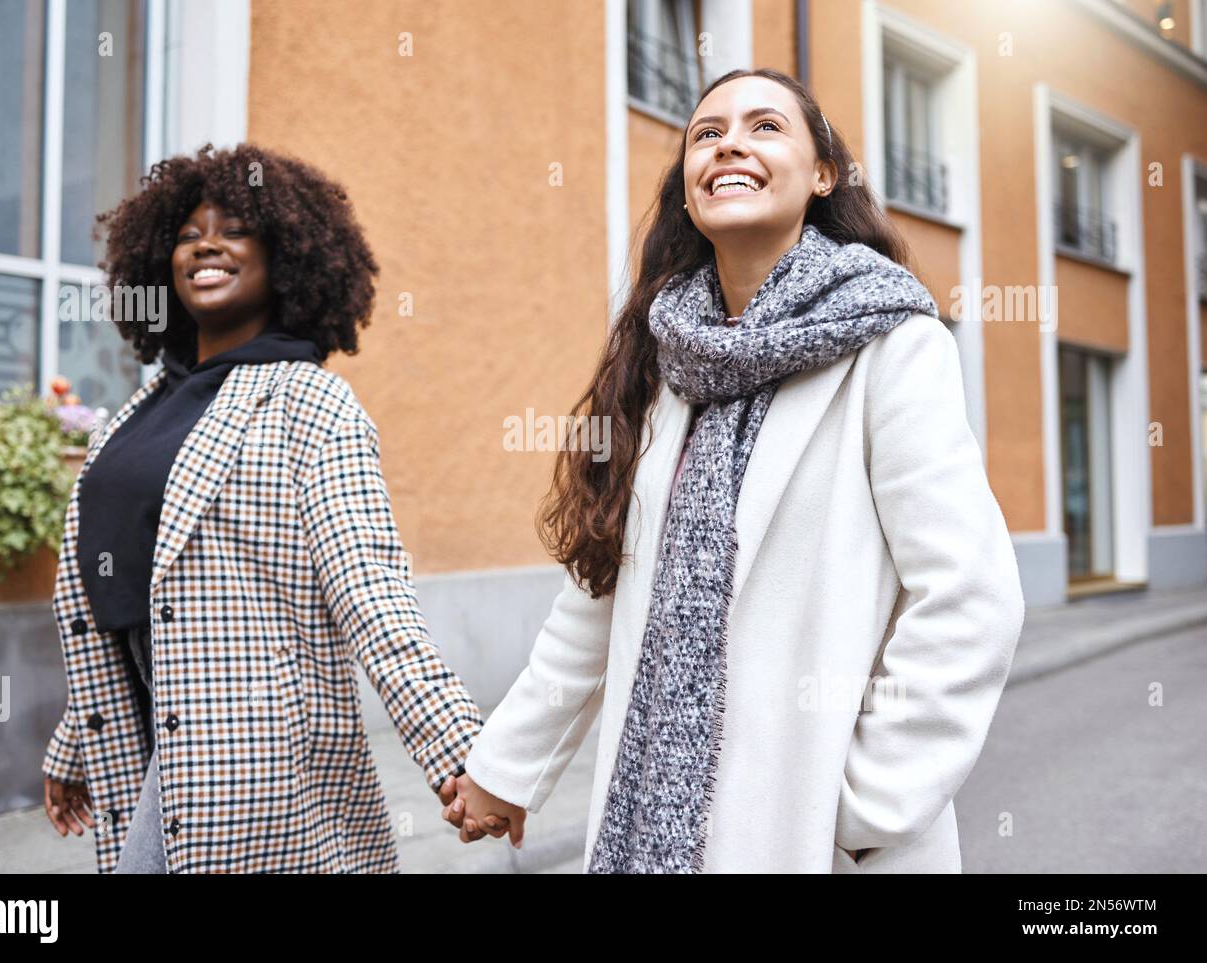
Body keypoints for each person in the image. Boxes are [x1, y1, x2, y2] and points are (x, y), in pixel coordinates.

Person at [439, 68, 1025, 872]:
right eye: (706, 134)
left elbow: (970, 594)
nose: (729, 146)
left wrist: (866, 803)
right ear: (687, 187)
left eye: (765, 127)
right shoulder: (659, 361)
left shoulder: (893, 344)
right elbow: (600, 595)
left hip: (821, 833)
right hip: (651, 826)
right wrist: (506, 768)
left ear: (823, 175)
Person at [41, 142, 493, 873]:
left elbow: (372, 592)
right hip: (147, 732)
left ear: (287, 256)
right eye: (187, 234)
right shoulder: (143, 410)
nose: (207, 245)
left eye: (233, 230)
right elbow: (135, 594)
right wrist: (77, 735)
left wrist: (460, 754)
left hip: (255, 754)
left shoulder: (310, 402)